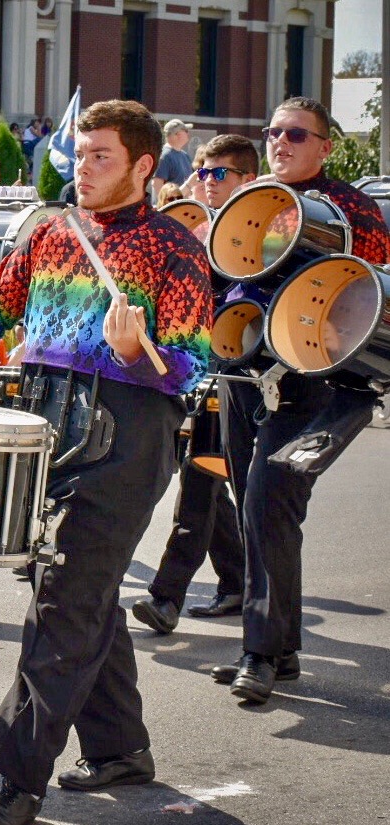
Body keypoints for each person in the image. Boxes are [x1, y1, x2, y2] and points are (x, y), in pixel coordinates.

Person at [0, 100, 212, 825]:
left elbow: (192, 362)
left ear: (143, 166)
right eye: (78, 155)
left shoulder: (172, 249)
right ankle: (119, 746)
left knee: (63, 599)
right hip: (47, 418)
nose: (80, 168)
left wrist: (135, 354)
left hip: (128, 427)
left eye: (99, 157)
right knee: (74, 590)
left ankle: (17, 779)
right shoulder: (50, 231)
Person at [210, 97, 390, 704]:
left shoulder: (354, 209)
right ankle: (279, 651)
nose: (279, 142)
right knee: (257, 512)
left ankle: (260, 653)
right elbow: (226, 276)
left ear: (324, 146)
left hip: (312, 382)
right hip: (244, 378)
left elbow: (374, 293)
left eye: (294, 134)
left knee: (268, 504)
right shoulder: (255, 202)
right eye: (272, 132)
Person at [131, 133, 259, 635]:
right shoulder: (195, 232)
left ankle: (166, 596)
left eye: (218, 173)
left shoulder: (267, 230)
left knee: (202, 482)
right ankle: (236, 581)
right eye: (202, 172)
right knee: (204, 477)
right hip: (200, 373)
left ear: (247, 180)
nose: (206, 182)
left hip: (239, 375)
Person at [150, 118, 194, 202]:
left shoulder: (185, 155)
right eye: (186, 131)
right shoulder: (165, 156)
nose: (188, 133)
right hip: (169, 210)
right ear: (178, 134)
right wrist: (164, 207)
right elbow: (157, 184)